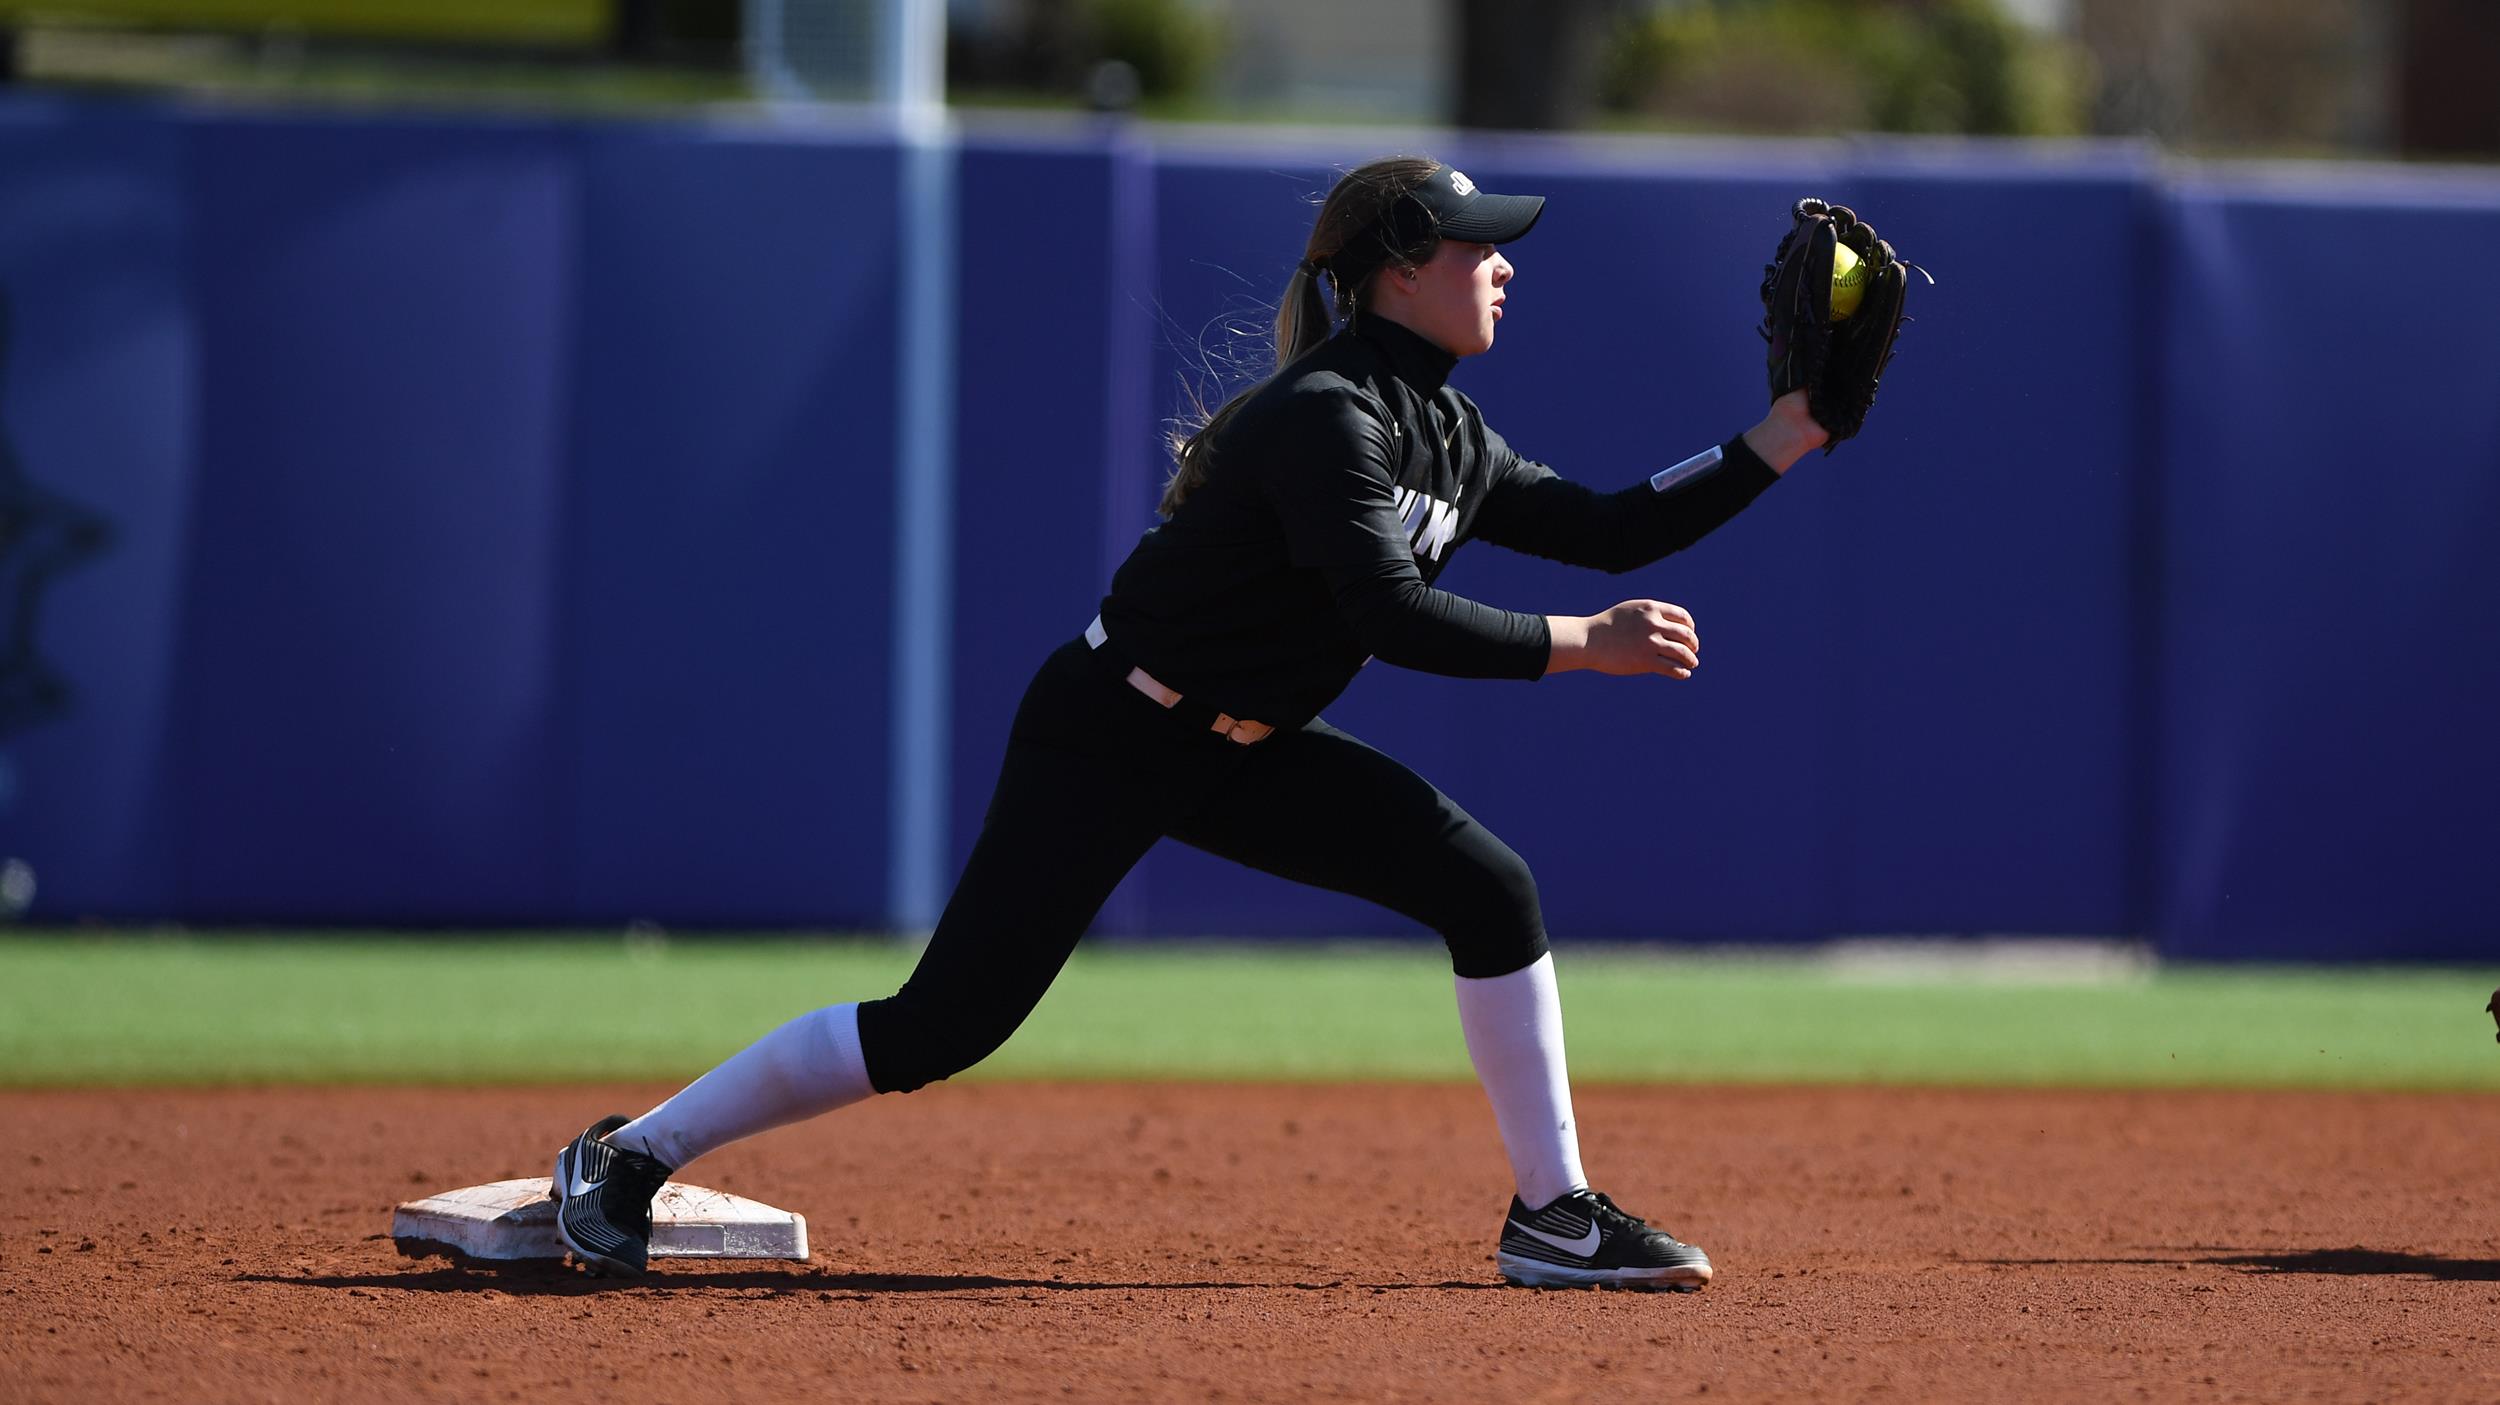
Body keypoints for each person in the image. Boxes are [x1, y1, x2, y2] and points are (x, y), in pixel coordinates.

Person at [553, 155, 1837, 1292]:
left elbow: (1608, 527)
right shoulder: (1324, 416)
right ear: (1395, 272)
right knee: (943, 1025)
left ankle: (1552, 1216)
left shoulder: (1445, 429)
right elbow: (1387, 613)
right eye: (1474, 243)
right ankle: (628, 1154)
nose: (1500, 265)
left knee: (1487, 888)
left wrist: (1783, 435)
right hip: (1113, 729)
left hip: (1249, 745)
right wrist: (1580, 651)